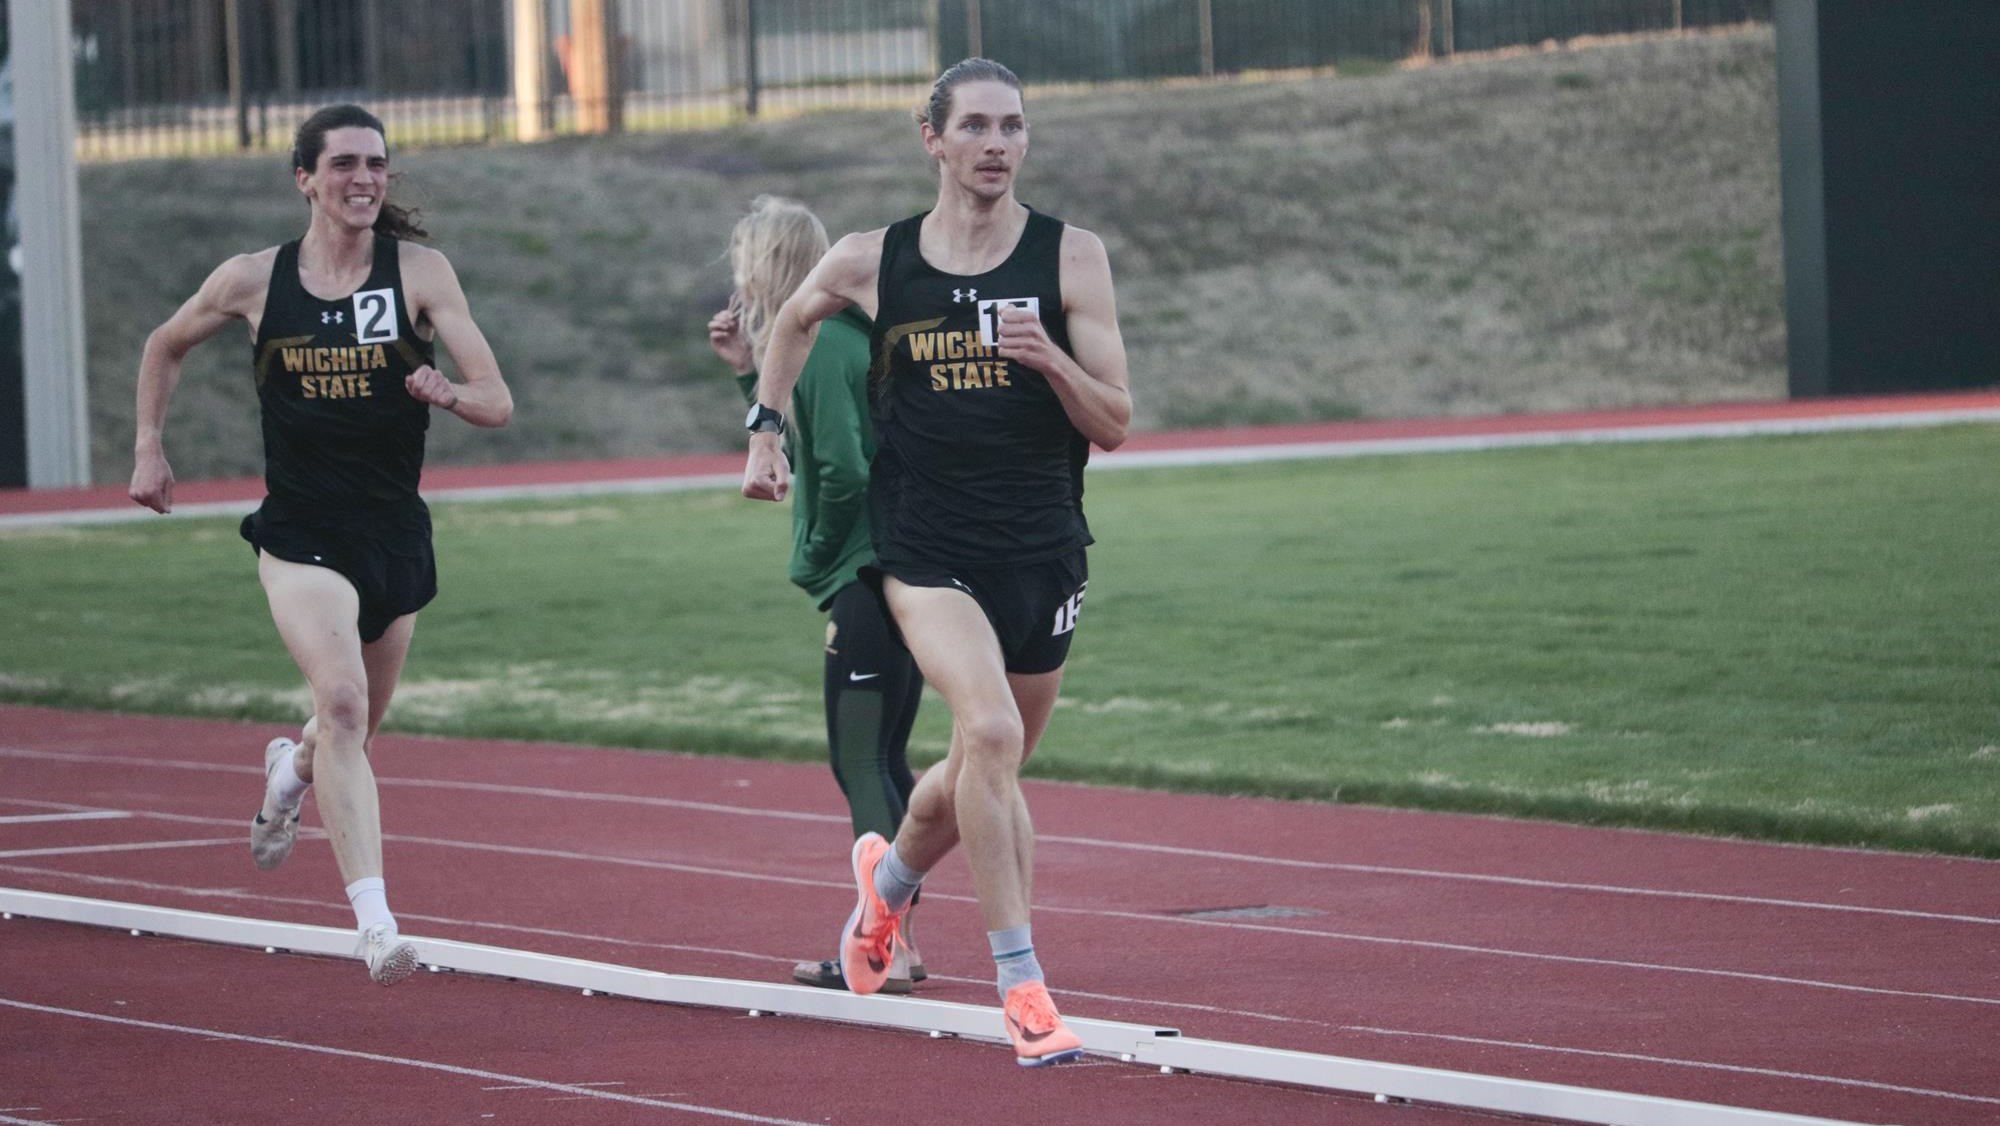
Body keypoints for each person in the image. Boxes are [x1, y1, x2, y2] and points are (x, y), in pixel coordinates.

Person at [741, 58, 1132, 1067]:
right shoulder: (877, 260)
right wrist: (761, 427)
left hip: (1041, 548)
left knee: (974, 773)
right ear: (934, 140)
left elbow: (1117, 423)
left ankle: (884, 900)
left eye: (1012, 125)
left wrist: (1047, 356)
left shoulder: (1069, 258)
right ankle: (1022, 986)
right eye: (976, 127)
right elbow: (789, 319)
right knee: (989, 729)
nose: (997, 143)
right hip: (922, 546)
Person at [128, 103, 513, 985]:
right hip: (301, 533)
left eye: (376, 164)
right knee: (339, 704)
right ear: (304, 177)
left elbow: (497, 400)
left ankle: (287, 773)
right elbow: (163, 343)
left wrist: (445, 391)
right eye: (343, 164)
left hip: (392, 533)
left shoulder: (419, 271)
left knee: (354, 727)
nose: (364, 179)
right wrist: (150, 445)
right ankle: (376, 925)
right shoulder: (254, 280)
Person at [706, 195, 928, 994]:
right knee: (887, 758)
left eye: (743, 262)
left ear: (765, 266)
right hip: (897, 560)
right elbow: (797, 438)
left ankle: (887, 947)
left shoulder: (829, 341)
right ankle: (900, 942)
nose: (736, 278)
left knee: (860, 760)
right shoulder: (835, 340)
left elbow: (838, 468)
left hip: (866, 571)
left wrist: (822, 554)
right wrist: (746, 377)